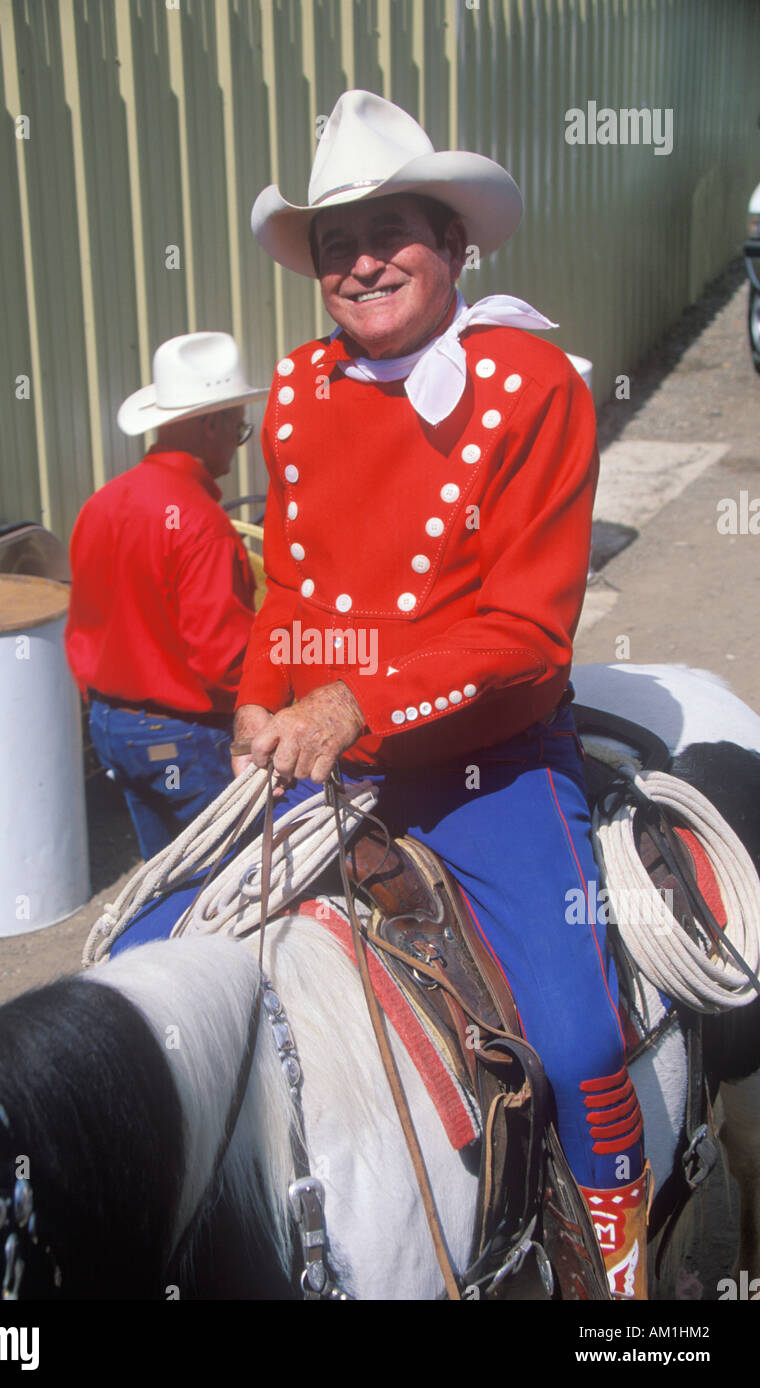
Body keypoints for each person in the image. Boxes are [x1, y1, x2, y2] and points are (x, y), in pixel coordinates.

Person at [229, 90, 649, 1298]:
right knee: (172, 961)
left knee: (571, 1037)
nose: (358, 264)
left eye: (387, 234)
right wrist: (261, 702)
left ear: (452, 243)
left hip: (486, 765)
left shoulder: (531, 385)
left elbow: (523, 631)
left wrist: (353, 703)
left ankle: (614, 1279)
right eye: (331, 245)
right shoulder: (301, 393)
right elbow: (286, 584)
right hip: (317, 760)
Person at [64, 331, 266, 859]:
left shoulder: (103, 503)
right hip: (182, 732)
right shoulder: (202, 524)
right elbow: (224, 662)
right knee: (224, 885)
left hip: (111, 723)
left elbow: (86, 622)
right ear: (210, 424)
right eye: (237, 428)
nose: (236, 440)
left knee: (163, 875)